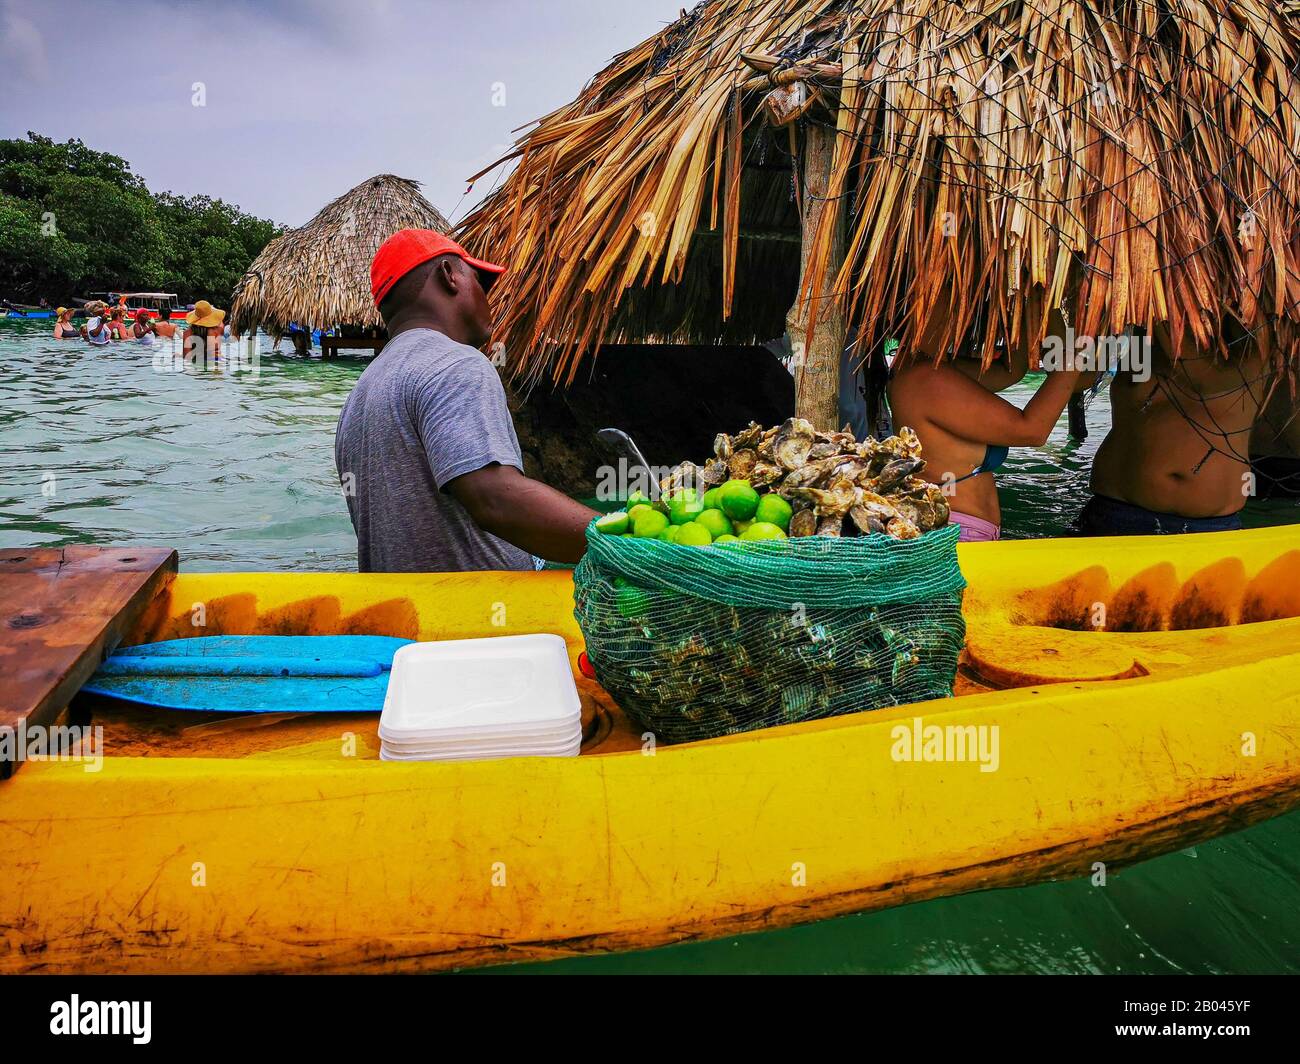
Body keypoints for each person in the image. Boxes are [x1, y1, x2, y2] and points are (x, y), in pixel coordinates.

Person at [335, 228, 597, 572]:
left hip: (400, 620)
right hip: (485, 620)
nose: (488, 298)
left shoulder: (360, 394)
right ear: (449, 277)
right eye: (480, 282)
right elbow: (495, 500)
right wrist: (628, 541)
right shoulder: (456, 362)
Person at [887, 305, 1083, 541]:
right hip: (958, 535)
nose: (964, 304)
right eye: (951, 290)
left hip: (962, 529)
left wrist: (1036, 306)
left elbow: (1010, 370)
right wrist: (1078, 353)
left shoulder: (922, 367)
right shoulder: (924, 378)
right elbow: (1032, 431)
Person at [1076, 322, 1273, 535]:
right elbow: (1073, 378)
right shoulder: (1135, 336)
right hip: (1115, 511)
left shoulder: (1252, 342)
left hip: (1210, 527)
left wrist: (1157, 303)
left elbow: (1196, 379)